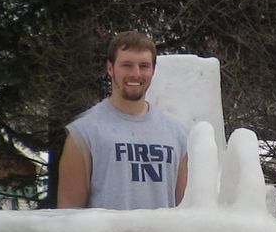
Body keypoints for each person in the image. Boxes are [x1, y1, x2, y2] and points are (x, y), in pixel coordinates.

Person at [56, 31, 190, 209]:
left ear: (153, 70)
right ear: (110, 68)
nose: (136, 74)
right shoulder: (84, 133)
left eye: (144, 66)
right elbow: (68, 215)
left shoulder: (178, 135)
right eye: (127, 65)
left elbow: (183, 211)